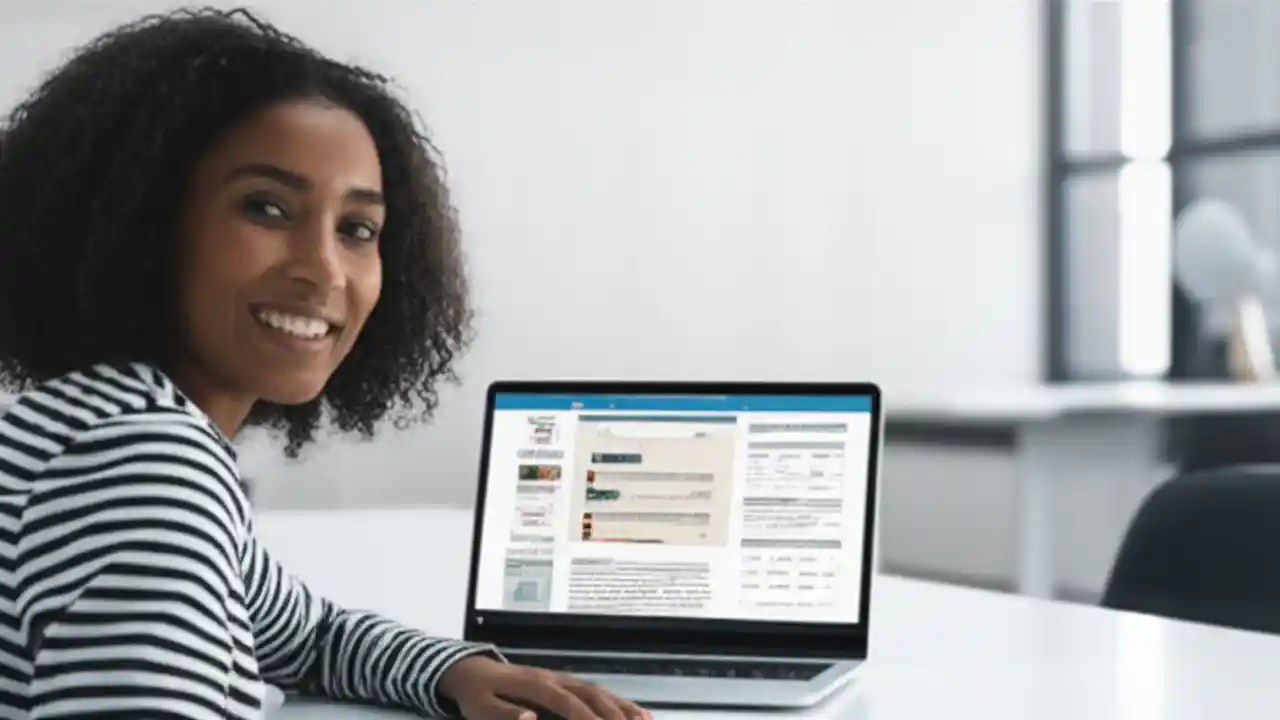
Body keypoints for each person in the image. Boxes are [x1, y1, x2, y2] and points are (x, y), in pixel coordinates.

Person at [0, 8, 648, 720]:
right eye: (267, 208)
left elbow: (307, 637)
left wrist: (453, 669)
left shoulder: (95, 422)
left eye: (357, 229)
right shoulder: (142, 467)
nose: (325, 271)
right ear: (142, 221)